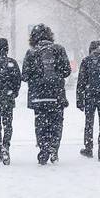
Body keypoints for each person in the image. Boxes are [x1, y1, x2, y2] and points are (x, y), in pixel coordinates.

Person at [21, 24, 72, 165]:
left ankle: (43, 148)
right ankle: (54, 148)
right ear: (50, 35)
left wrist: (36, 77)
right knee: (57, 123)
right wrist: (56, 75)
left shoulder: (31, 53)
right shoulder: (59, 50)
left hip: (39, 96)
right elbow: (67, 71)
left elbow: (24, 75)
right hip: (56, 95)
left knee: (40, 123)